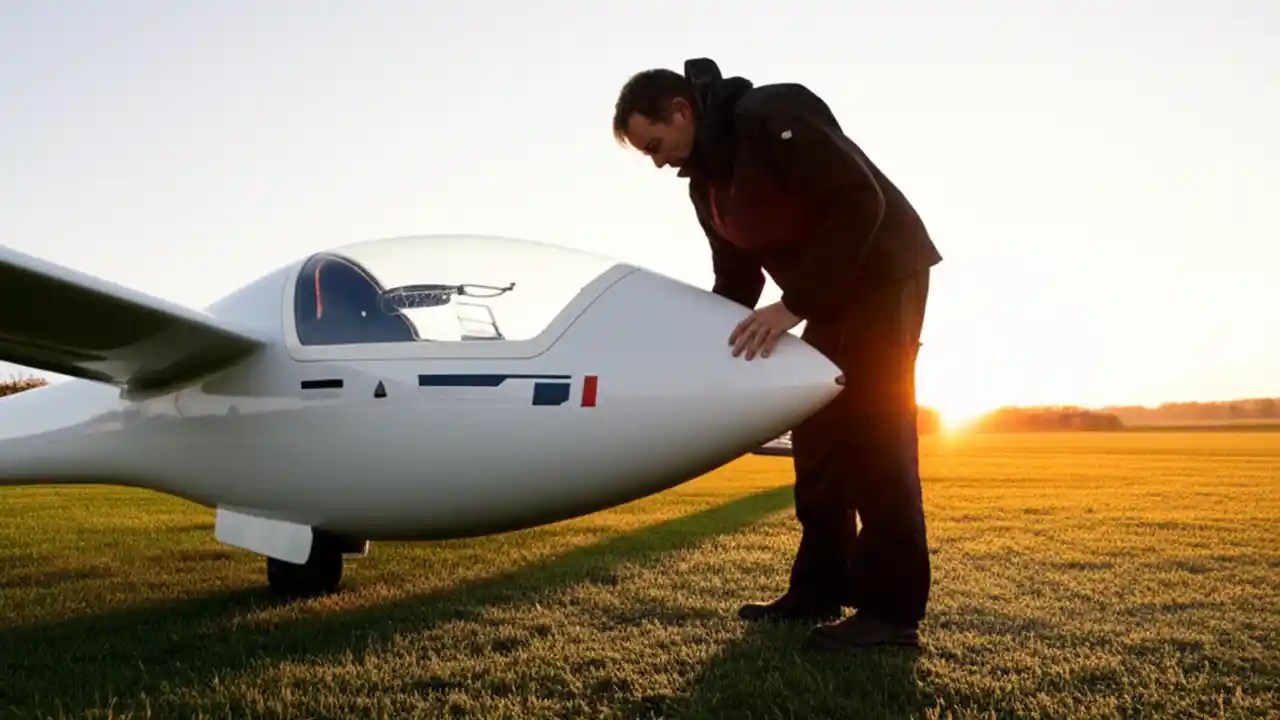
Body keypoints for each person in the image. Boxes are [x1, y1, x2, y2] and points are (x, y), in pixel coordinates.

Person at [612, 58, 942, 649]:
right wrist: (700, 342)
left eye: (657, 144)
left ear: (682, 110)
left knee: (874, 433)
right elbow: (737, 280)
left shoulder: (772, 112)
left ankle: (891, 616)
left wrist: (793, 306)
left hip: (885, 274)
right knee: (813, 438)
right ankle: (819, 587)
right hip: (826, 297)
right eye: (648, 154)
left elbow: (857, 202)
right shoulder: (705, 186)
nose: (659, 161)